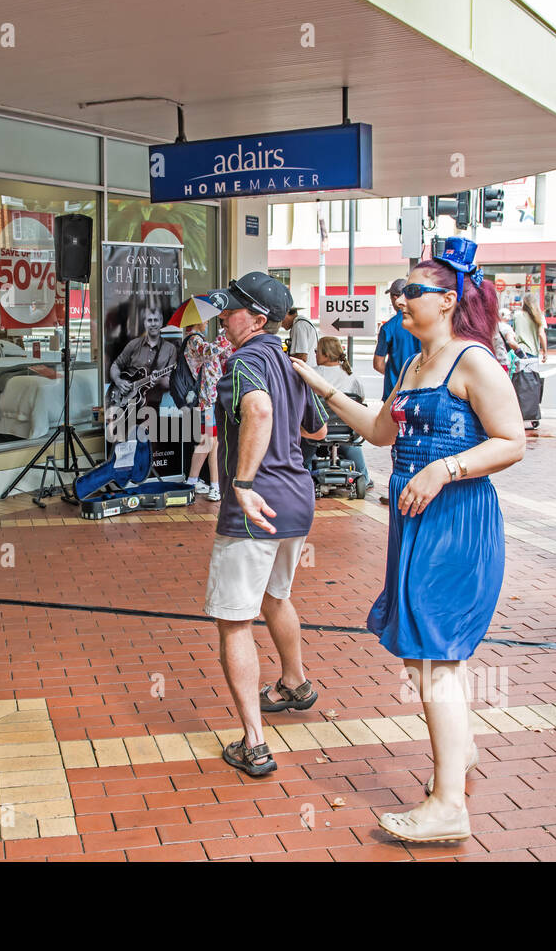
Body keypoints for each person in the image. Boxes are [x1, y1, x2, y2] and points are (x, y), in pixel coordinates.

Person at [291, 237, 524, 843]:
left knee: (435, 654)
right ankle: (461, 752)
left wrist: (442, 469)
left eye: (410, 291)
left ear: (448, 301)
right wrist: (321, 385)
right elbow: (377, 431)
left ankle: (448, 805)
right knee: (434, 650)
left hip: (455, 521)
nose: (399, 299)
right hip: (417, 519)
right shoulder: (415, 363)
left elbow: (512, 440)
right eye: (398, 291)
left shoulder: (472, 360)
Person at [202, 271, 329, 778]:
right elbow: (316, 428)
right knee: (276, 597)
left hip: (257, 508)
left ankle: (254, 742)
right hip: (298, 501)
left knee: (234, 619)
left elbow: (257, 411)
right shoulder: (288, 362)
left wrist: (243, 481)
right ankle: (294, 682)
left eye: (230, 309)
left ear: (257, 319)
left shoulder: (244, 362)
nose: (222, 316)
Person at [301, 335, 371, 488]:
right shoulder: (351, 376)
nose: (315, 355)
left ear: (326, 354)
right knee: (351, 444)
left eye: (317, 351)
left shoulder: (312, 374)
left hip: (318, 428)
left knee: (305, 441)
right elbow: (360, 399)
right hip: (346, 429)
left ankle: (302, 473)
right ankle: (364, 477)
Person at [373, 279, 419, 505]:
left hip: (397, 395)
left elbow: (378, 363)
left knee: (398, 444)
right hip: (425, 392)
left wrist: (395, 376)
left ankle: (399, 492)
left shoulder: (390, 326)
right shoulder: (424, 324)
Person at [183, 321, 234, 500]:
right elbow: (210, 351)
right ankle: (211, 485)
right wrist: (226, 336)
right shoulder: (194, 340)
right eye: (204, 319)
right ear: (196, 320)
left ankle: (197, 482)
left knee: (211, 442)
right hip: (207, 398)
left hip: (210, 398)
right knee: (210, 441)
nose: (206, 323)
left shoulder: (198, 339)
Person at [109, 306, 177, 414]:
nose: (153, 324)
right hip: (126, 405)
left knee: (153, 431)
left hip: (153, 406)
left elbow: (170, 382)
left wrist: (159, 380)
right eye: (149, 320)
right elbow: (115, 365)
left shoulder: (170, 349)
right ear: (144, 323)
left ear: (161, 322)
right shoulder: (133, 345)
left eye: (156, 320)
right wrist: (118, 381)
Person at [513, 292, 548, 362]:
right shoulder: (539, 316)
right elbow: (541, 334)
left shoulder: (517, 315)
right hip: (532, 351)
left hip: (519, 351)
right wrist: (545, 351)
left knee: (518, 372)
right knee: (531, 372)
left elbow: (514, 333)